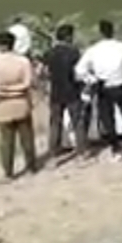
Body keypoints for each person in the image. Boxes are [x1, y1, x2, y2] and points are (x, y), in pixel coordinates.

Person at [75, 19, 122, 155]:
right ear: (113, 31)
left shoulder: (93, 50)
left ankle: (116, 149)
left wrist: (91, 79)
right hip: (119, 84)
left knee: (107, 119)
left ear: (99, 33)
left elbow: (79, 70)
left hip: (103, 86)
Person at [0, 31, 40, 180]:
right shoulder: (23, 61)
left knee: (6, 140)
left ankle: (8, 172)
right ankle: (31, 166)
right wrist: (16, 90)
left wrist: (3, 91)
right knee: (27, 137)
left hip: (2, 103)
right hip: (21, 101)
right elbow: (28, 83)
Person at [43, 24, 86, 157]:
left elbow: (44, 72)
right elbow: (79, 72)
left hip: (56, 91)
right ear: (68, 37)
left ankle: (53, 152)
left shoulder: (49, 52)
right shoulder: (74, 52)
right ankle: (81, 152)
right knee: (77, 121)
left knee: (55, 123)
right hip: (72, 90)